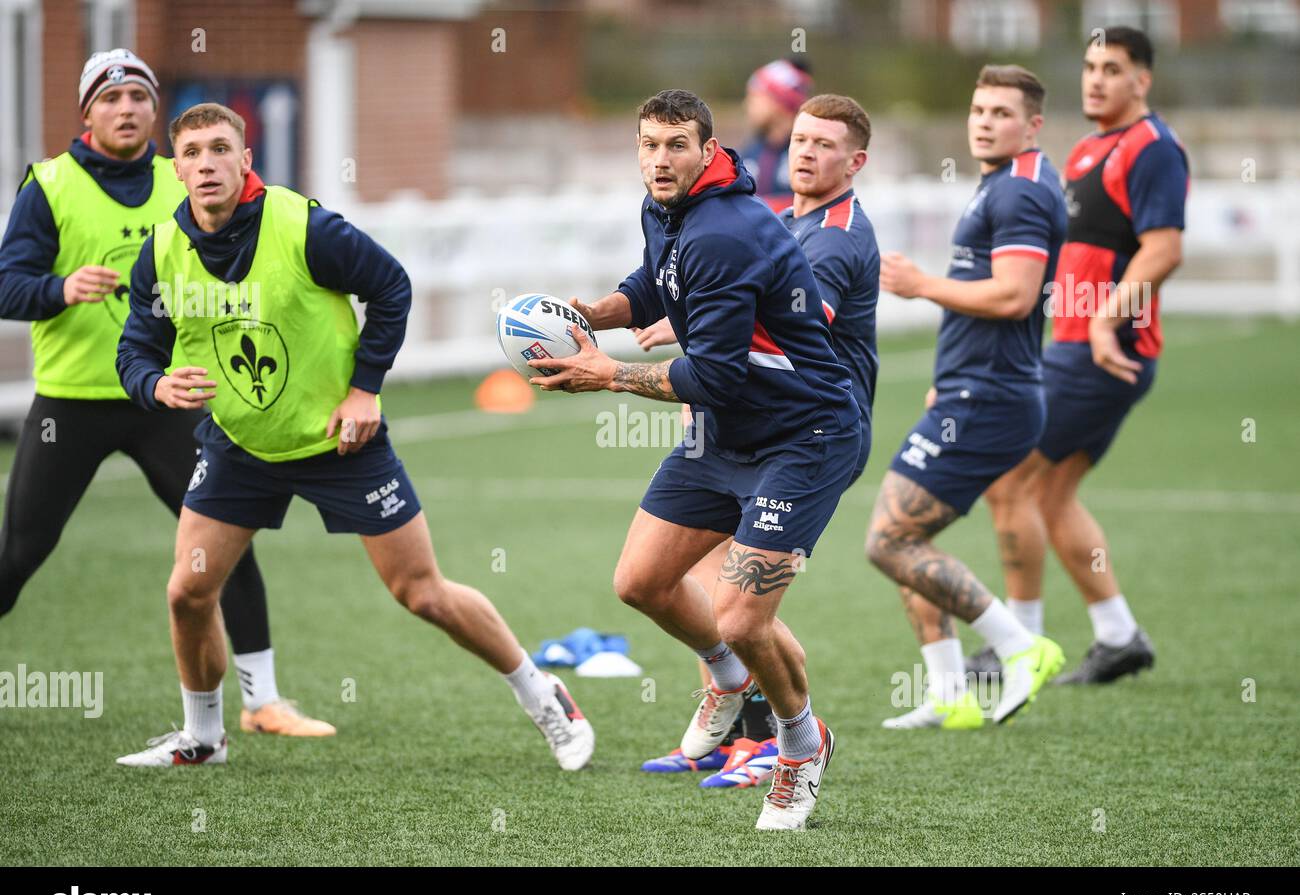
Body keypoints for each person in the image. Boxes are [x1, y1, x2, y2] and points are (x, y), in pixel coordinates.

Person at [113, 103, 593, 769]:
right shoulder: (162, 251)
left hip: (340, 444)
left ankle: (543, 694)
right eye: (192, 153)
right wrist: (154, 385)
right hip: (239, 446)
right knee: (187, 591)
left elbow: (391, 284)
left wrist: (365, 388)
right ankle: (203, 737)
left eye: (220, 149)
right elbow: (136, 347)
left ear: (245, 160)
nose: (206, 164)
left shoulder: (303, 226)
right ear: (177, 168)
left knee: (422, 593)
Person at [530, 89, 860, 830]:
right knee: (641, 582)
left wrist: (604, 372)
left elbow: (713, 375)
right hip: (727, 434)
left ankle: (802, 746)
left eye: (676, 144)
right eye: (648, 144)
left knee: (743, 614)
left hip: (804, 436)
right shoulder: (666, 209)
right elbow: (655, 284)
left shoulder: (726, 232)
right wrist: (585, 313)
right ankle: (726, 677)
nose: (659, 159)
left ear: (709, 151)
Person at [0, 50, 331, 736]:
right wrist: (58, 289)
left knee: (223, 546)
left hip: (171, 402)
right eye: (111, 98)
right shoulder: (50, 185)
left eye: (139, 97)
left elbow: (263, 238)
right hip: (73, 403)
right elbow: (7, 287)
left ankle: (262, 701)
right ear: (86, 111)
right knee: (20, 552)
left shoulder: (186, 173)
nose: (127, 109)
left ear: (156, 111)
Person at [635, 93, 879, 789]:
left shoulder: (832, 237)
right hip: (735, 420)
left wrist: (691, 345)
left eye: (825, 144)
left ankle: (777, 744)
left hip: (803, 431)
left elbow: (797, 322)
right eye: (799, 137)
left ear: (855, 161)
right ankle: (735, 714)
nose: (804, 152)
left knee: (737, 606)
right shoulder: (775, 217)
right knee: (660, 584)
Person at [969, 26, 1187, 685]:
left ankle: (1020, 643)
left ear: (1141, 81)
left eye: (1112, 68)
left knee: (1010, 477)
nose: (1095, 79)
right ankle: (1119, 637)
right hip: (1072, 346)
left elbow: (1164, 249)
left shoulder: (1152, 147)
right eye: (1090, 66)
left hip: (1103, 352)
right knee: (1051, 491)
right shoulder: (1091, 149)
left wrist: (1103, 320)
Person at [871, 66, 1068, 729]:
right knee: (907, 537)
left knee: (891, 540)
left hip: (989, 399)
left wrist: (921, 285)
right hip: (970, 388)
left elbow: (1014, 295)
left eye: (1001, 113)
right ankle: (951, 695)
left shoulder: (1018, 192)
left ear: (1032, 125)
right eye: (978, 109)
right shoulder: (1005, 184)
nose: (984, 121)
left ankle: (1022, 647)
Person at [738, 58, 814, 212]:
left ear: (778, 102)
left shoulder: (808, 154)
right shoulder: (751, 152)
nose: (746, 105)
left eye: (754, 97)